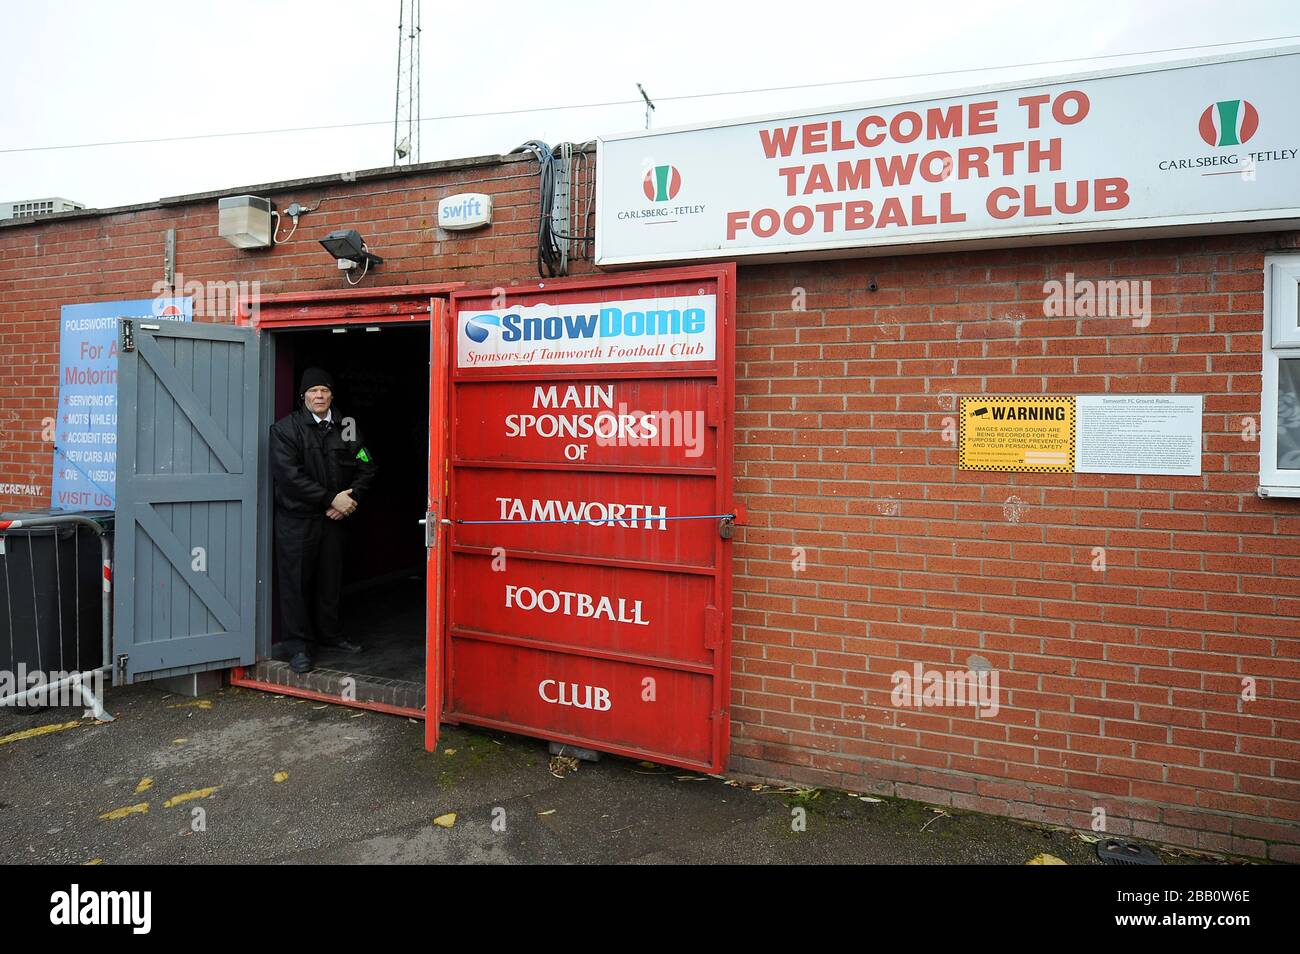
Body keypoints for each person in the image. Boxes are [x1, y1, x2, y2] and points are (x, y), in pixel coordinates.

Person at [270, 367, 377, 673]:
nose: (319, 396)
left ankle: (330, 635)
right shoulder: (285, 430)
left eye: (324, 390)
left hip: (335, 520)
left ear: (332, 394)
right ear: (303, 396)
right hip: (297, 521)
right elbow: (290, 478)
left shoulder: (346, 426)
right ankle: (298, 647)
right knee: (296, 584)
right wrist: (331, 498)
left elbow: (367, 464)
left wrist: (351, 498)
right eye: (313, 391)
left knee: (330, 580)